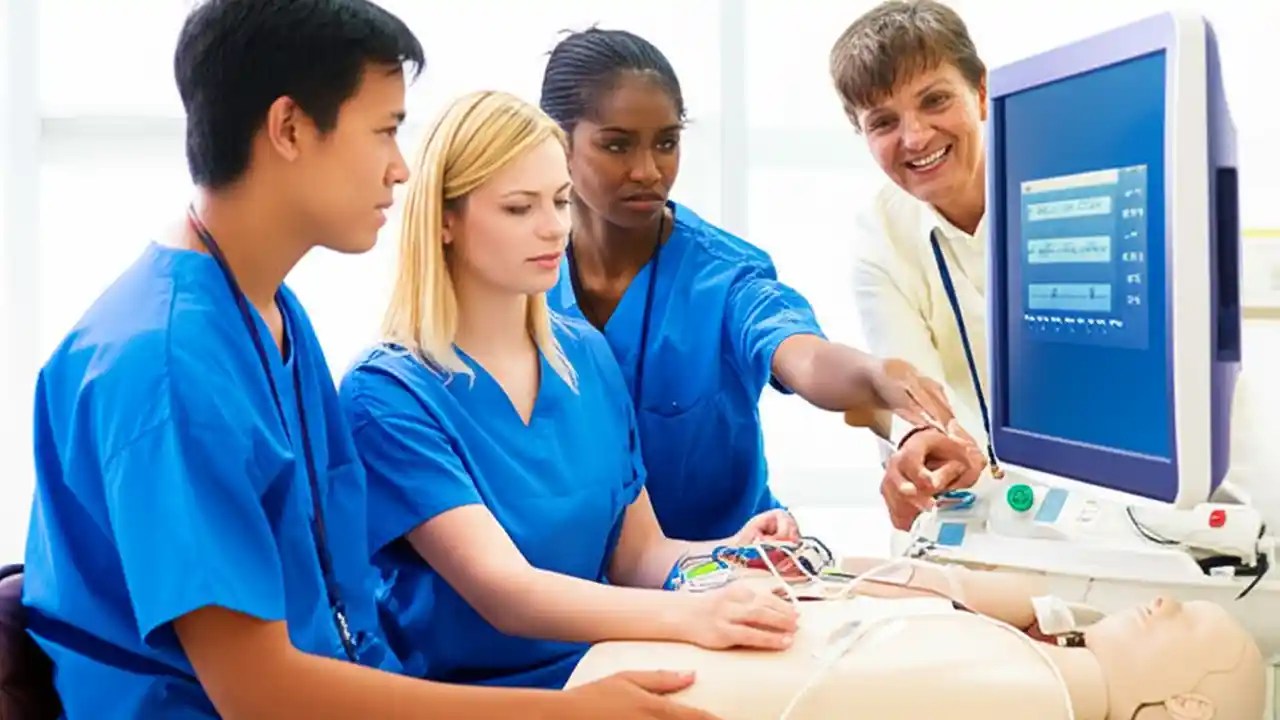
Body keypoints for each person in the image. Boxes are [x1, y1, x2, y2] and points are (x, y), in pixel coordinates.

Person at [19, 3, 720, 718]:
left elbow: (337, 619)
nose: (401, 167)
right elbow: (262, 695)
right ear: (289, 129)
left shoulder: (266, 314)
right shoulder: (170, 365)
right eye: (384, 129)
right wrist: (565, 712)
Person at [339, 89, 801, 692]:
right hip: (476, 700)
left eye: (560, 201)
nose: (553, 227)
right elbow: (507, 594)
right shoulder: (387, 397)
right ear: (445, 220)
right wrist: (696, 615)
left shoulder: (584, 356)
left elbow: (637, 557)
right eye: (518, 208)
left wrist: (730, 559)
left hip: (605, 672)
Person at [538, 28, 985, 543]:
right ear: (558, 142)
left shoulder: (724, 275)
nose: (648, 171)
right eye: (616, 145)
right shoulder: (519, 275)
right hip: (564, 582)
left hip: (730, 571)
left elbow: (803, 356)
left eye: (667, 143)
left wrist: (874, 375)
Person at [567, 557, 1267, 719]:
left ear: (1186, 711)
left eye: (1191, 625)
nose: (1168, 601)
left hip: (624, 681)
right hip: (619, 676)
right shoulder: (1021, 668)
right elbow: (881, 591)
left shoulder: (1026, 693)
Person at [827, 0, 998, 530]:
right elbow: (913, 389)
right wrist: (921, 442)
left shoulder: (1064, 185)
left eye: (936, 100)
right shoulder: (880, 236)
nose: (916, 137)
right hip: (984, 506)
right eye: (883, 122)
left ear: (982, 94)